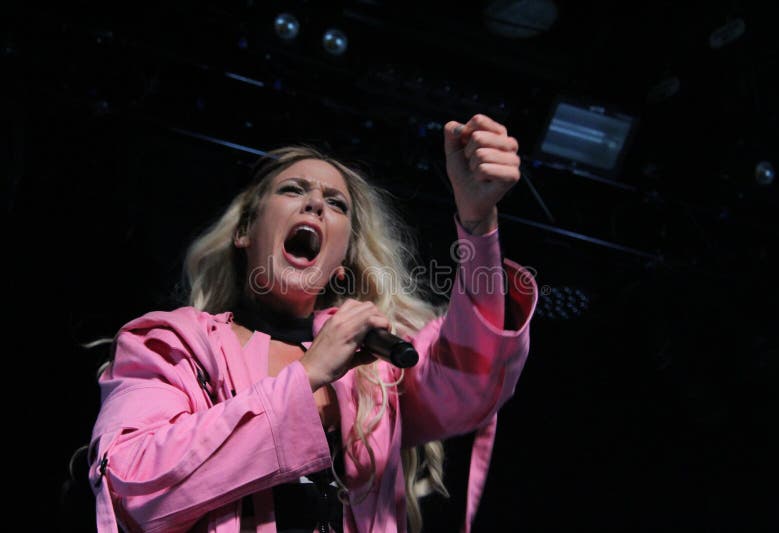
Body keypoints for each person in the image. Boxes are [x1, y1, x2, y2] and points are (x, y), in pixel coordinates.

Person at [89, 113, 538, 532]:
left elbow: (474, 373)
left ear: (341, 262)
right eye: (292, 190)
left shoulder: (376, 373)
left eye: (336, 204)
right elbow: (131, 484)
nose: (315, 205)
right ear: (245, 233)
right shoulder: (169, 346)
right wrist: (306, 381)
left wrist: (479, 224)